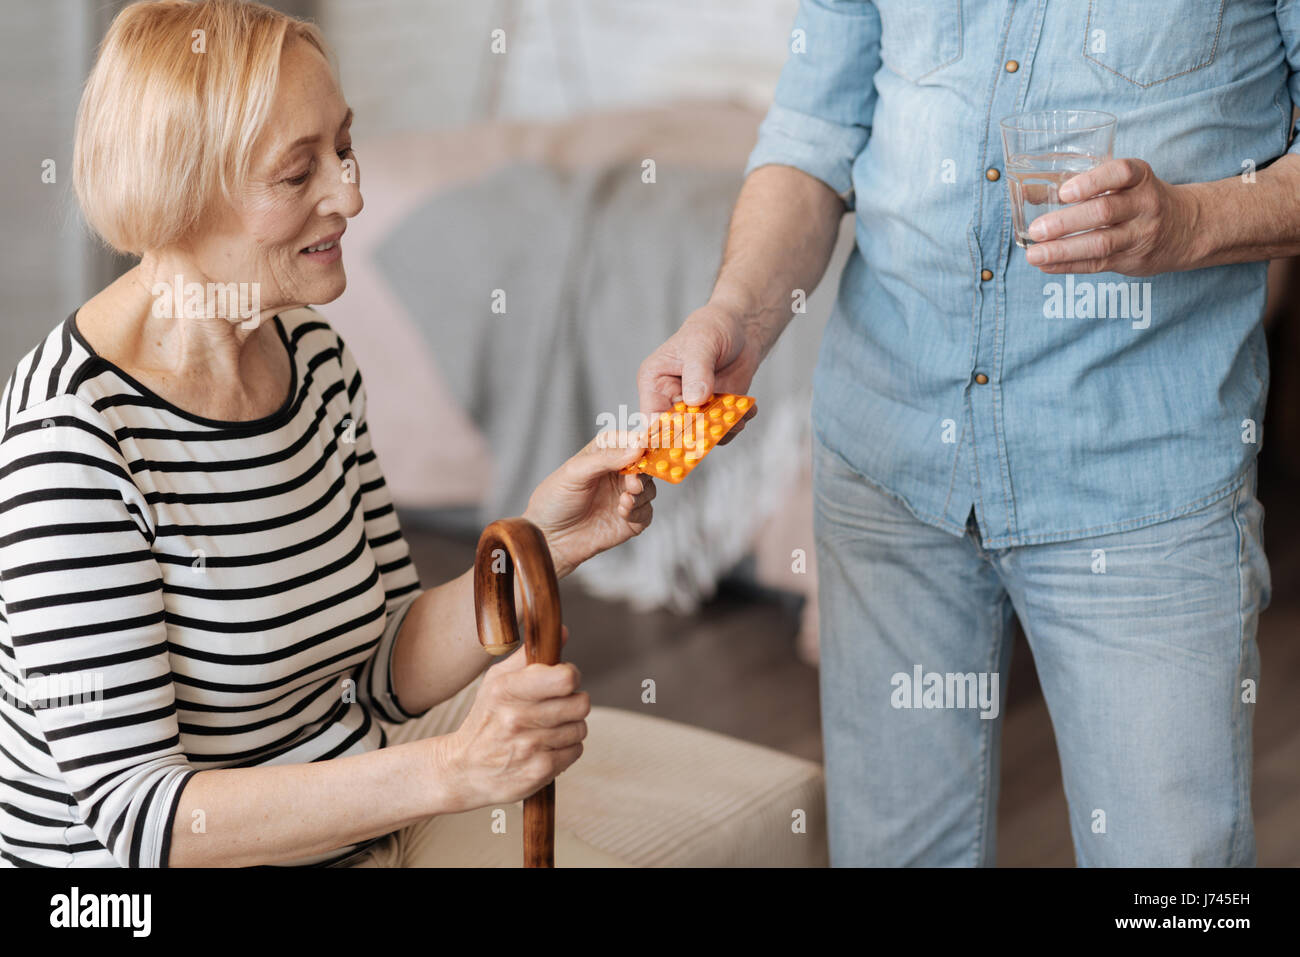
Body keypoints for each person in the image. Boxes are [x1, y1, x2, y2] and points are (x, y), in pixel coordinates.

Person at [0, 0, 655, 868]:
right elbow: (145, 817)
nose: (349, 192)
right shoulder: (72, 438)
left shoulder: (312, 354)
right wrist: (454, 770)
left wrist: (541, 543)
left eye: (342, 148)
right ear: (181, 193)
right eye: (296, 172)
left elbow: (383, 660)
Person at [637, 0, 1287, 866]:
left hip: (1140, 487)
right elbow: (812, 131)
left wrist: (1189, 222)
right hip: (887, 463)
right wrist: (735, 314)